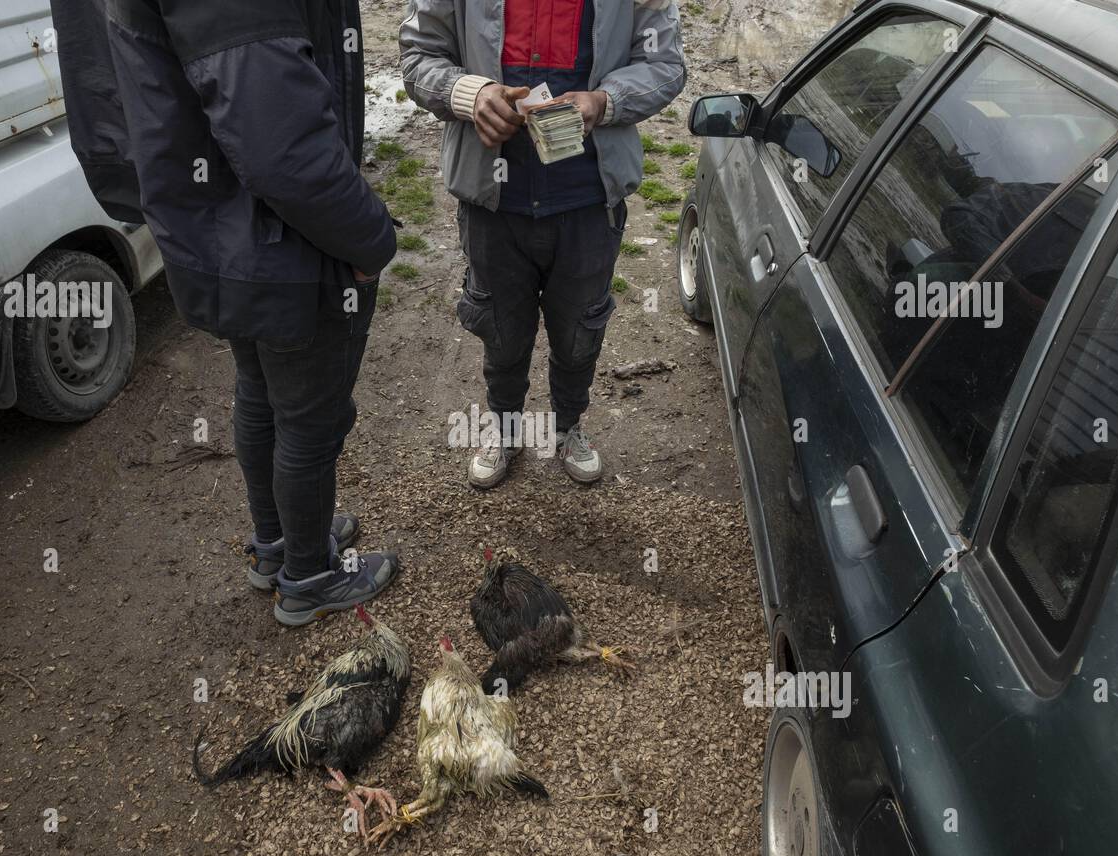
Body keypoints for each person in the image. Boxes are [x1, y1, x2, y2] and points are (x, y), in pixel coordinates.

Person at [50, 0, 399, 625]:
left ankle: (280, 545)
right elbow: (281, 149)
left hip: (219, 231)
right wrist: (371, 239)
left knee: (262, 393)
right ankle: (311, 577)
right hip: (285, 241)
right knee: (311, 419)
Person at [401, 0, 686, 489]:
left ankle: (568, 425)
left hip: (587, 201)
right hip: (494, 202)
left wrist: (604, 100)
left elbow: (666, 65)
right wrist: (472, 93)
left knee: (579, 332)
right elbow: (418, 57)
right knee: (501, 330)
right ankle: (507, 429)